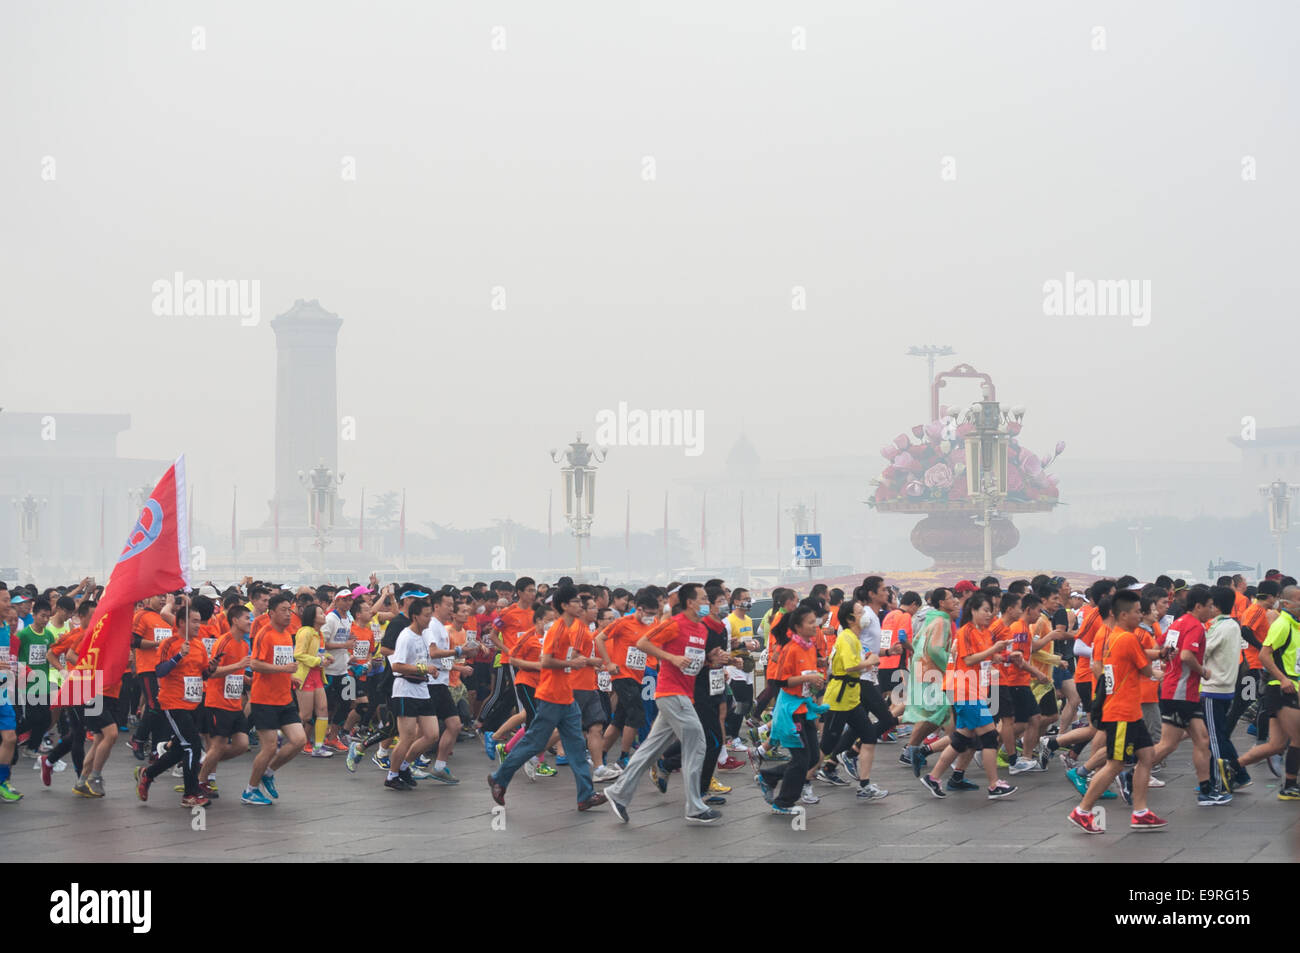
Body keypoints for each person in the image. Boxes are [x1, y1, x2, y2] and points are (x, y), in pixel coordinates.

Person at [604, 584, 720, 824]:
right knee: (698, 743)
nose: (708, 603)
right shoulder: (675, 623)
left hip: (682, 695)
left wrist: (711, 662)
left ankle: (618, 793)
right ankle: (695, 806)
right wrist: (671, 658)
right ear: (690, 602)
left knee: (650, 750)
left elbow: (692, 663)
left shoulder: (702, 629)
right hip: (671, 693)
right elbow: (644, 643)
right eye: (704, 598)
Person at [487, 585, 607, 813]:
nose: (580, 605)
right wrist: (572, 663)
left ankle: (586, 796)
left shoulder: (572, 628)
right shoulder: (558, 630)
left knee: (576, 746)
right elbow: (547, 661)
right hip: (551, 696)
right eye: (576, 602)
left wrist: (577, 662)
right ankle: (499, 778)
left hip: (566, 697)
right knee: (534, 742)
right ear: (564, 606)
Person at [1067, 590, 1167, 833]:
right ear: (1123, 614)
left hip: (1129, 710)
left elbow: (1134, 660)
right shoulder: (1127, 638)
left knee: (1146, 756)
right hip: (1121, 712)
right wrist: (1157, 670)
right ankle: (1082, 811)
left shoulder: (1117, 636)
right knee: (1114, 764)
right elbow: (1144, 669)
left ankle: (1140, 811)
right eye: (1136, 612)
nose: (1140, 615)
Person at [920, 592, 1017, 800]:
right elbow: (970, 659)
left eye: (991, 610)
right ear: (973, 610)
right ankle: (993, 785)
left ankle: (933, 777)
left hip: (973, 690)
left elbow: (986, 658)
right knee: (990, 736)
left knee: (961, 739)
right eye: (985, 610)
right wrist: (994, 649)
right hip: (965, 690)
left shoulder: (982, 632)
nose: (990, 614)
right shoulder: (965, 632)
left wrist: (1005, 656)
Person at [1147, 585, 1226, 805]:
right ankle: (1131, 774)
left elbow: (1159, 646)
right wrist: (1203, 672)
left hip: (1180, 691)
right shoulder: (1195, 626)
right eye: (1209, 606)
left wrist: (1164, 666)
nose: (1212, 610)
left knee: (1200, 739)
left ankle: (1206, 790)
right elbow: (1186, 655)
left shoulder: (1178, 623)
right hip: (1180, 693)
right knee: (1169, 744)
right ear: (1198, 606)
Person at [134, 600, 212, 807]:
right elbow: (159, 671)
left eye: (199, 621)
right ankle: (190, 793)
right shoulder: (170, 643)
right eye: (194, 622)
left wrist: (211, 668)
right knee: (193, 746)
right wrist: (179, 656)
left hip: (193, 703)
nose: (198, 625)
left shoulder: (199, 645)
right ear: (181, 623)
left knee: (179, 750)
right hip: (173, 703)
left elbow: (203, 673)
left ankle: (147, 774)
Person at [753, 606, 827, 816]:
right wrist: (807, 679)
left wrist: (816, 683)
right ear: (797, 627)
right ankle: (784, 802)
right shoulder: (790, 648)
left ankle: (769, 777)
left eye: (816, 621)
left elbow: (808, 676)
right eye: (810, 622)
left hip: (805, 706)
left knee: (812, 757)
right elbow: (782, 681)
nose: (815, 626)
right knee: (801, 757)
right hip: (790, 708)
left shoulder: (810, 646)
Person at [1233, 584, 1300, 799]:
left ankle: (1231, 767)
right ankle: (1289, 785)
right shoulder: (1283, 624)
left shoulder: (1296, 626)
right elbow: (1264, 654)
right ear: (1287, 604)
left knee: (1275, 745)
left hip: (1289, 688)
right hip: (1280, 690)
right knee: (1297, 738)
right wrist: (1282, 679)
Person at [241, 592, 308, 806]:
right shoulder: (265, 634)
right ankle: (250, 791)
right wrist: (284, 668)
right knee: (269, 747)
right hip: (264, 699)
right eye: (284, 610)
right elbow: (255, 664)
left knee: (299, 740)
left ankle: (268, 772)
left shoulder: (287, 635)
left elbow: (281, 665)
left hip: (284, 697)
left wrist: (290, 678)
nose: (289, 614)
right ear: (272, 613)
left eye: (290, 610)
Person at [818, 599, 887, 799]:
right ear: (850, 619)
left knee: (869, 736)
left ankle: (864, 785)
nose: (864, 615)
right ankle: (802, 779)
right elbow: (850, 666)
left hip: (851, 698)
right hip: (839, 698)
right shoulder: (846, 637)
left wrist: (870, 660)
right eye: (859, 612)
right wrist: (870, 661)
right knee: (827, 746)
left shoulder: (854, 638)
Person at [196, 602, 254, 798]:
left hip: (235, 702)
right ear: (235, 620)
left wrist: (246, 678)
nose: (250, 622)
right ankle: (201, 780)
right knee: (218, 744)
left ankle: (205, 764)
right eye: (247, 618)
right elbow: (211, 673)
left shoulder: (244, 644)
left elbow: (235, 671)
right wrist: (238, 665)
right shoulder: (224, 641)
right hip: (217, 702)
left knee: (242, 745)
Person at [385, 597, 441, 791]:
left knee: (432, 734)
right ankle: (392, 775)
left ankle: (404, 766)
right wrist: (423, 668)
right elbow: (396, 665)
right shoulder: (406, 636)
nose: (429, 619)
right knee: (407, 737)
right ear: (415, 616)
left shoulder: (425, 635)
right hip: (405, 690)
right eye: (426, 616)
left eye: (430, 615)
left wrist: (428, 670)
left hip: (422, 689)